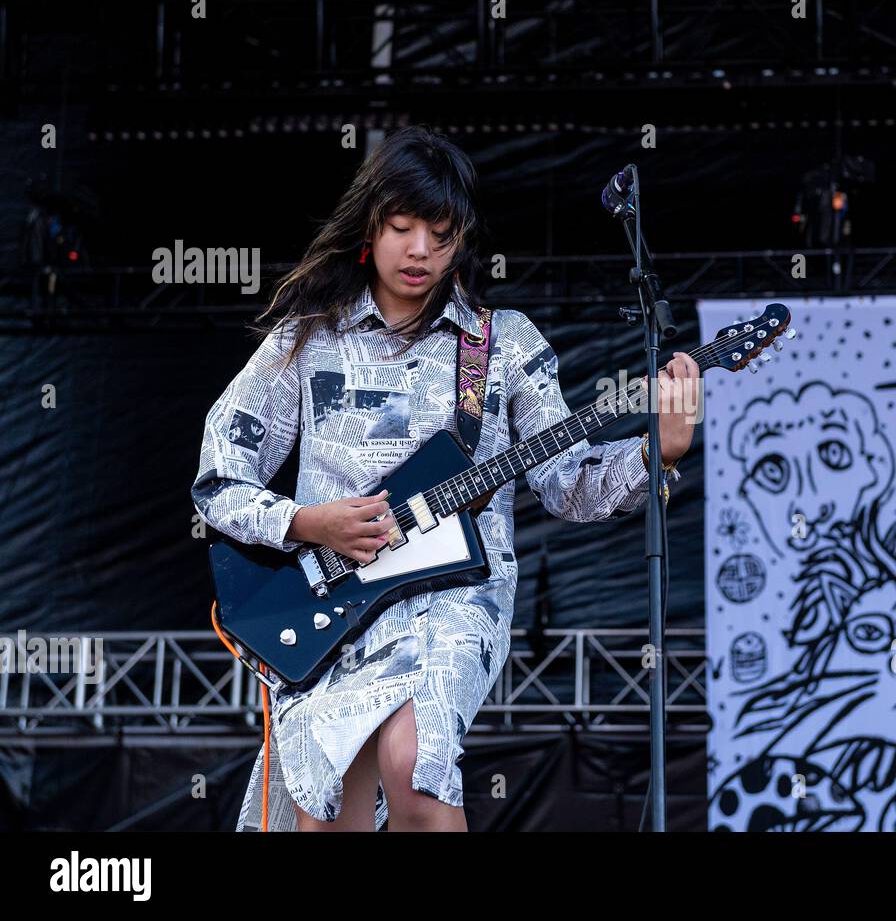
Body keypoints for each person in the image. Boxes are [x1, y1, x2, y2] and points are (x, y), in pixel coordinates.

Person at [191, 125, 699, 831]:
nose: (421, 249)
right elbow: (218, 479)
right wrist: (308, 522)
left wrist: (658, 454)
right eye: (403, 227)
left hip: (454, 598)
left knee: (415, 761)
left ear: (463, 241)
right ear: (371, 226)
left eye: (441, 232)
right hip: (329, 602)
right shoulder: (304, 342)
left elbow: (565, 485)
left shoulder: (505, 344)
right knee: (323, 809)